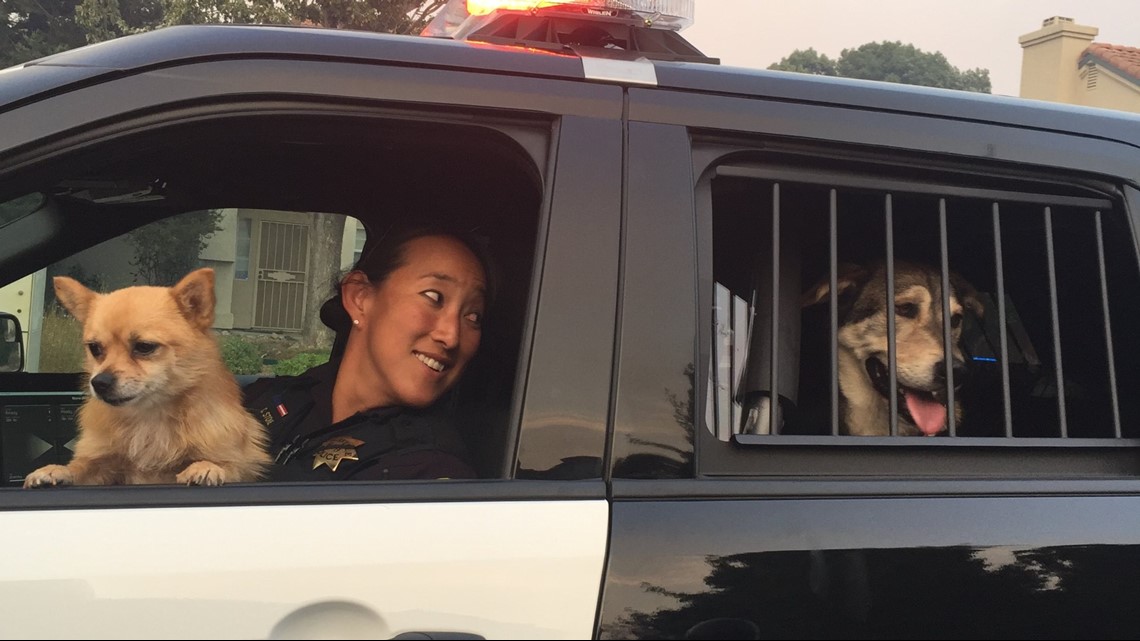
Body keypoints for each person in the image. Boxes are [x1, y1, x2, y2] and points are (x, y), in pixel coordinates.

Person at [242, 224, 494, 481]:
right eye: (433, 297)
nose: (451, 336)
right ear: (359, 297)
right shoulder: (283, 396)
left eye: (473, 316)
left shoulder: (425, 473)